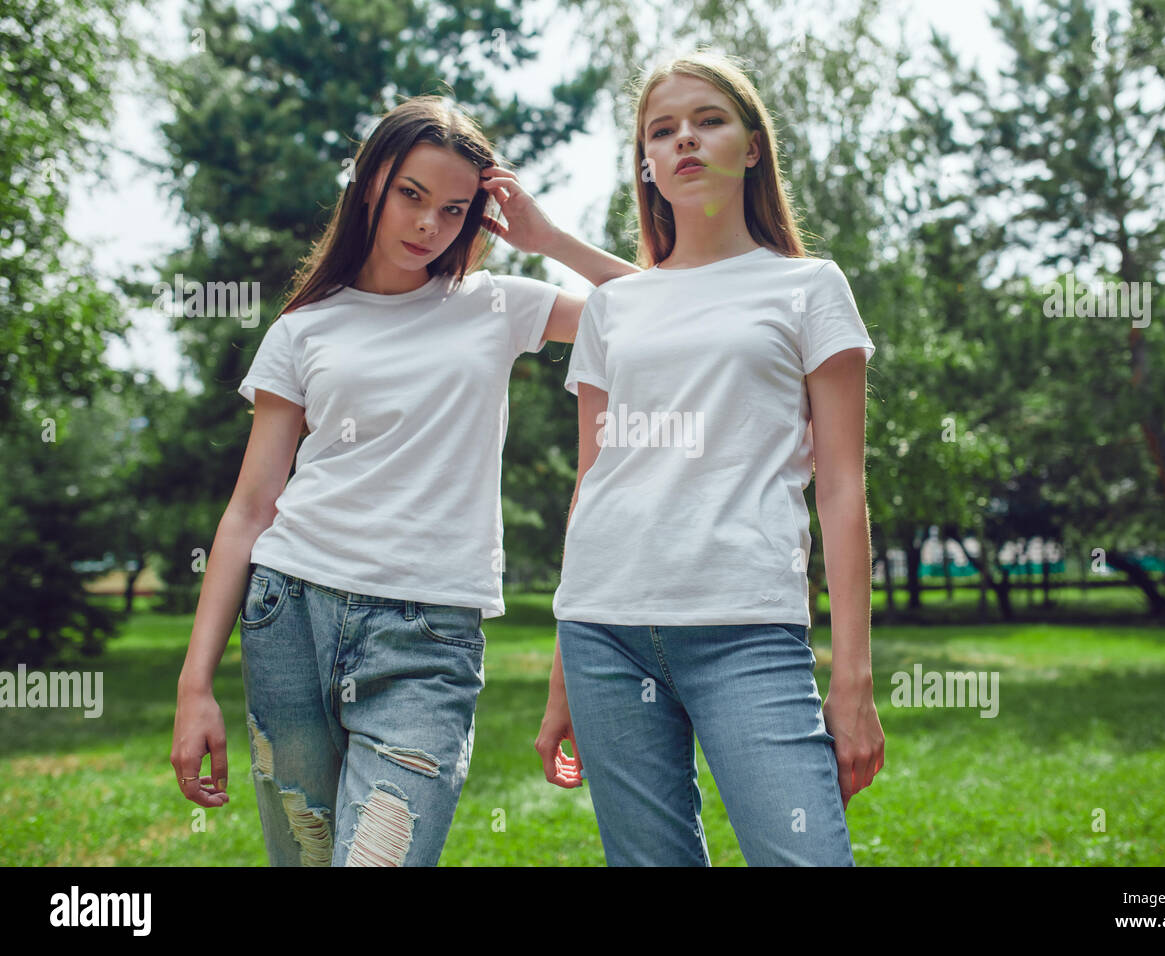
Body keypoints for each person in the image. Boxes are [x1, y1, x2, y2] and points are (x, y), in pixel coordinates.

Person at [170, 94, 637, 866]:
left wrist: (548, 238)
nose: (429, 225)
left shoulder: (495, 306)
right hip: (290, 612)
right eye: (411, 196)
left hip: (430, 637)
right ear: (370, 184)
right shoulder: (303, 329)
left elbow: (659, 313)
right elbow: (250, 509)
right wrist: (194, 688)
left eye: (454, 209)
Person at [535, 51, 886, 866]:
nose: (685, 140)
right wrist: (562, 674)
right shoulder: (614, 308)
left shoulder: (809, 288)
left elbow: (840, 486)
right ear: (648, 167)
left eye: (709, 120)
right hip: (603, 632)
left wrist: (853, 678)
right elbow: (593, 482)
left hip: (746, 628)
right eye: (663, 131)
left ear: (752, 147)